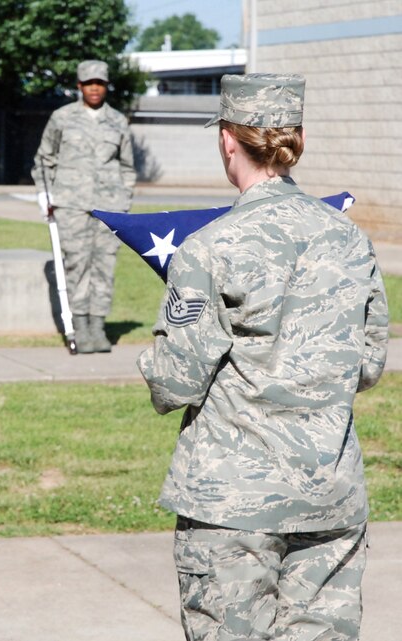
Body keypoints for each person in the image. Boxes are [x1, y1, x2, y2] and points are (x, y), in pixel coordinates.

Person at [137, 73, 389, 641]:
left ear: (228, 140)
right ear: (295, 139)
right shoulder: (349, 239)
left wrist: (149, 362)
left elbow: (176, 382)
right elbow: (368, 365)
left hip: (232, 505)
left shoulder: (210, 246)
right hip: (329, 496)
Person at [31, 60, 136, 354]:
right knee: (76, 263)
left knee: (105, 264)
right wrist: (44, 194)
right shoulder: (61, 118)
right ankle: (78, 323)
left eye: (99, 83)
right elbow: (44, 159)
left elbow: (128, 166)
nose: (94, 88)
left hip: (109, 205)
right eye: (89, 83)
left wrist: (125, 196)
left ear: (105, 87)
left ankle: (97, 326)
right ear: (79, 86)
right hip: (71, 204)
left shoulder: (117, 121)